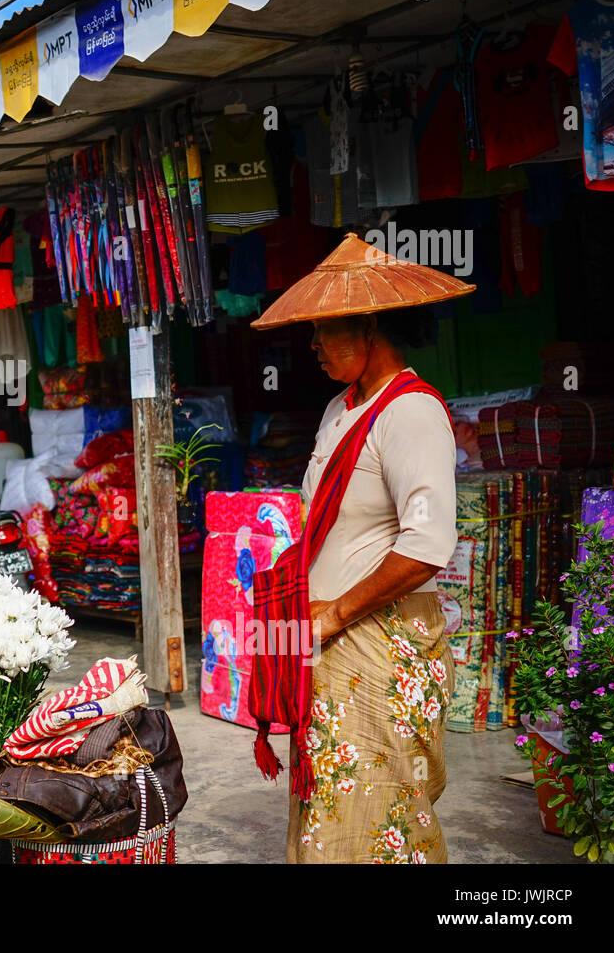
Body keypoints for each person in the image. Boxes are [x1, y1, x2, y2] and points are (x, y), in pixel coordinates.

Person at [249, 232, 473, 864]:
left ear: (371, 326)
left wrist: (338, 612)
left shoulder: (412, 414)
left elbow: (427, 544)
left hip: (375, 640)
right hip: (329, 644)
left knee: (379, 817)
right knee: (331, 812)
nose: (314, 346)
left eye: (326, 332)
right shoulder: (339, 409)